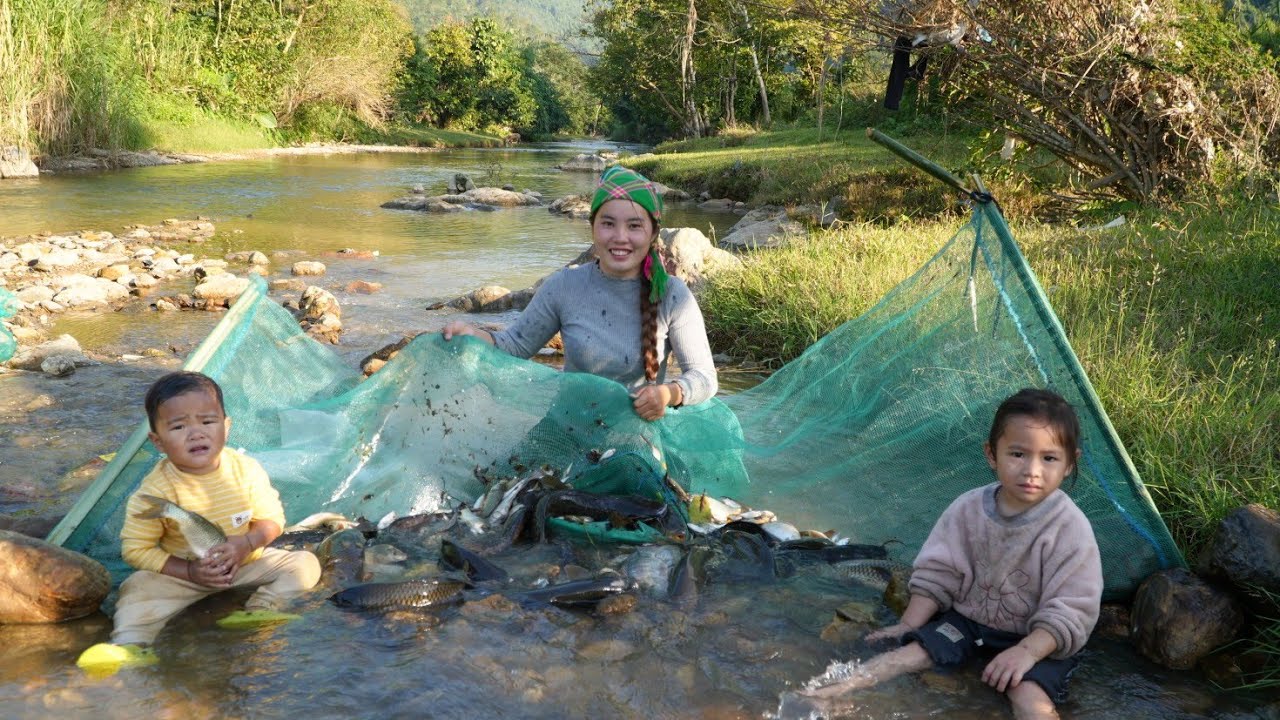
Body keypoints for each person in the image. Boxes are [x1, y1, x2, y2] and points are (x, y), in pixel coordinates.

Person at [799, 388, 1103, 720]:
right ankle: (821, 696)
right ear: (992, 455)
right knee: (911, 653)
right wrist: (907, 623)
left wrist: (1027, 651)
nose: (1031, 470)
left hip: (1039, 640)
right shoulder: (968, 509)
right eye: (1017, 454)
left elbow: (1074, 609)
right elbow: (938, 573)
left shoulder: (1070, 528)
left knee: (1029, 696)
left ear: (1070, 464)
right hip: (968, 625)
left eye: (1049, 458)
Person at [77, 371, 321, 674]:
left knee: (303, 563)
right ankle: (130, 645)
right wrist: (190, 571)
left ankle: (261, 608)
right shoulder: (156, 490)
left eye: (207, 422)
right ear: (158, 441)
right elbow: (136, 550)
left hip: (245, 564)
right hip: (182, 576)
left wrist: (246, 543)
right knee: (136, 592)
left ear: (226, 427)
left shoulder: (245, 469)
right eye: (178, 426)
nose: (196, 433)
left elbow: (272, 519)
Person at [442, 165, 717, 422]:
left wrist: (669, 394)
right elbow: (514, 345)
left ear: (654, 232)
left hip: (636, 436)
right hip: (566, 428)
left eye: (634, 226)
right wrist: (475, 336)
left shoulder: (672, 295)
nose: (620, 237)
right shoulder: (563, 286)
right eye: (608, 223)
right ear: (592, 227)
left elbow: (705, 377)